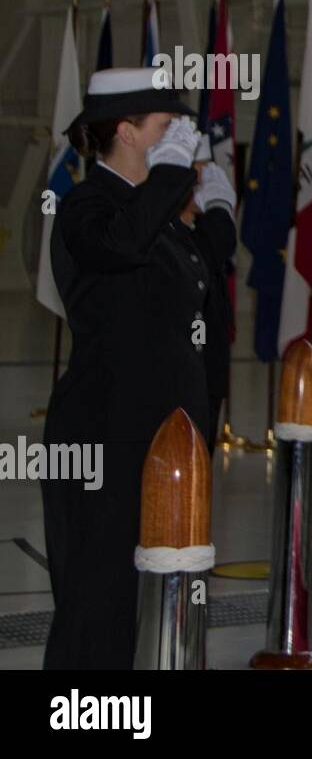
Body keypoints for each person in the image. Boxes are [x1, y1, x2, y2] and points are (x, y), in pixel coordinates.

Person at [42, 67, 232, 669]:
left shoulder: (154, 213)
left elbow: (202, 278)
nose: (177, 138)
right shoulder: (87, 207)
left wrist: (218, 208)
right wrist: (173, 175)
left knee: (150, 604)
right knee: (97, 609)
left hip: (161, 442)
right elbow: (121, 246)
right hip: (105, 439)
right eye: (164, 127)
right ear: (125, 132)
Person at [177, 137, 238, 453]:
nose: (208, 178)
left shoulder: (197, 234)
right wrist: (220, 208)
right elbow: (210, 248)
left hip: (208, 379)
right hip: (179, 383)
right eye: (200, 170)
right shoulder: (173, 237)